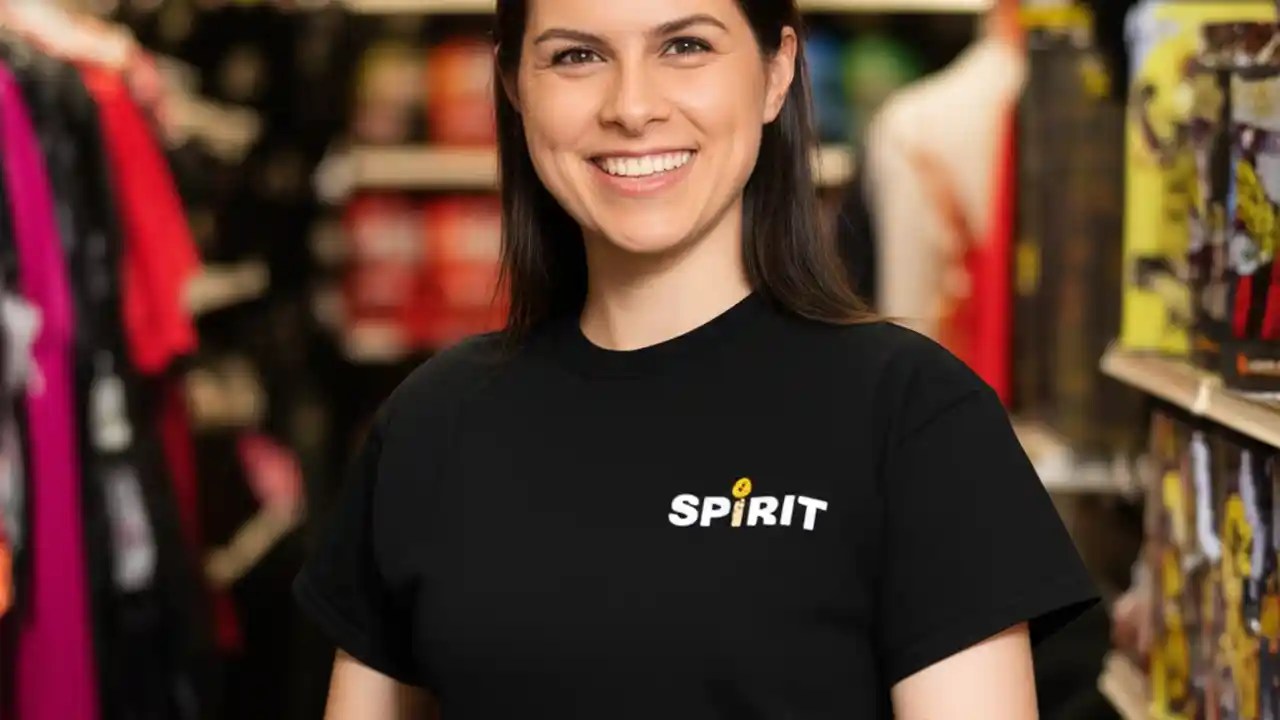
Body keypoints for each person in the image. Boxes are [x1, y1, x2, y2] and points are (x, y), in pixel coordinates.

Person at [293, 0, 1099, 717]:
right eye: (577, 55)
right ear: (512, 85)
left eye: (685, 46)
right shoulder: (429, 424)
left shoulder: (915, 417)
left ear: (777, 72)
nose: (632, 107)